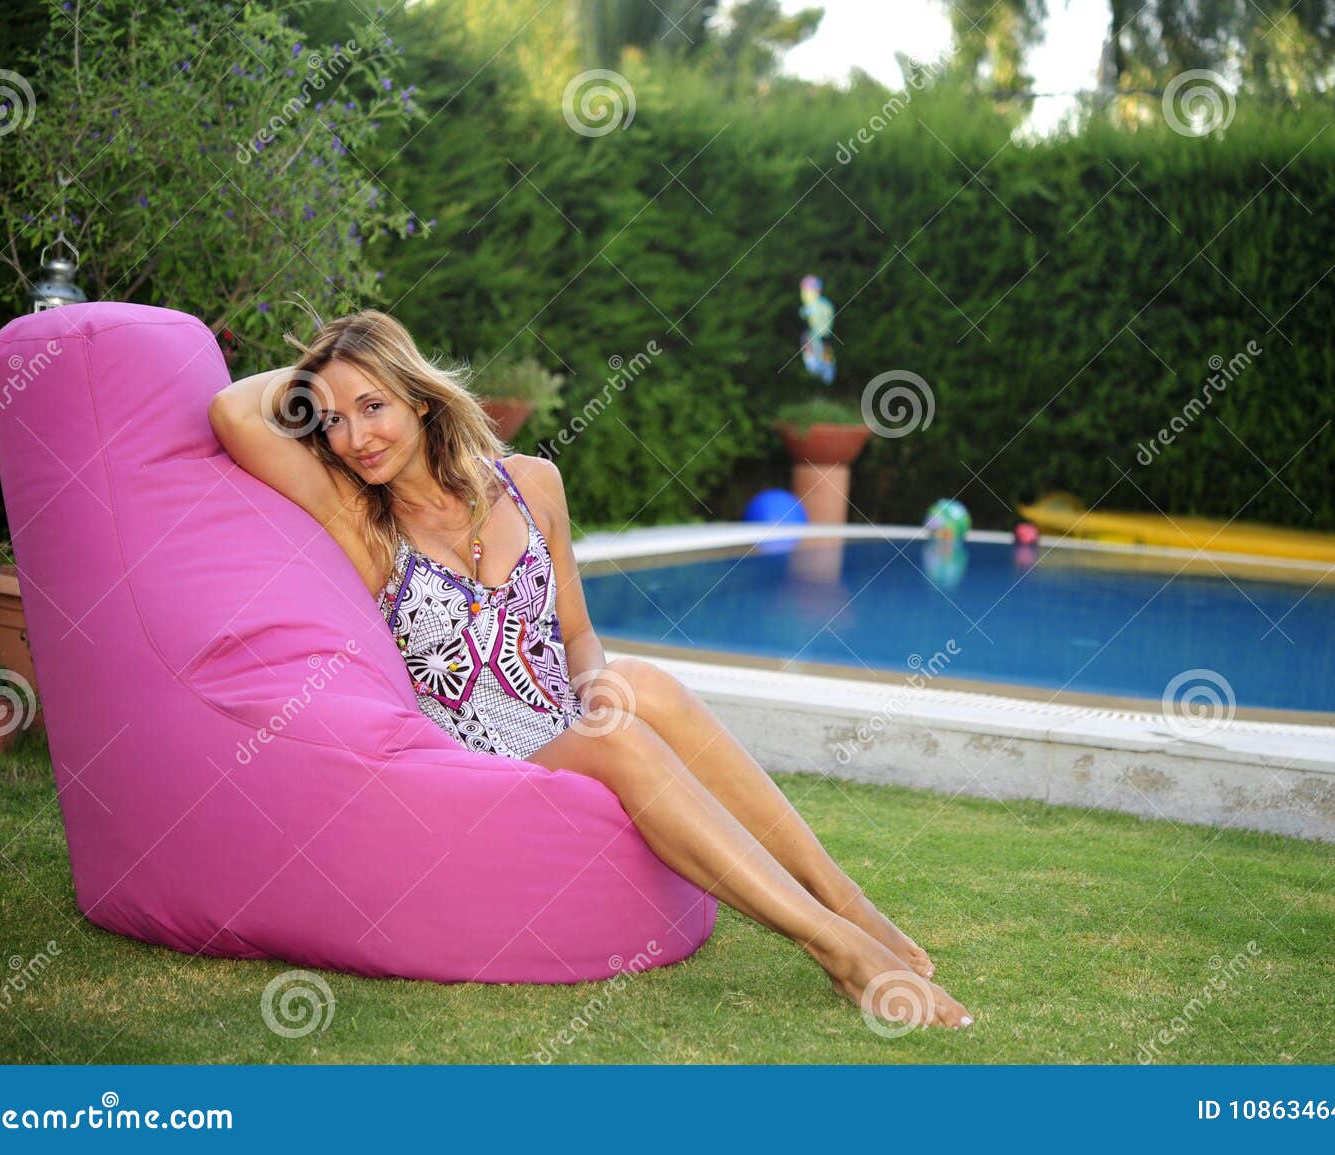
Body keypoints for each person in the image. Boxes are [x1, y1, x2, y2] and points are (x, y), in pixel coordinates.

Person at [208, 308, 972, 1030]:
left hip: (562, 721)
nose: (355, 436)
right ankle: (834, 946)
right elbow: (235, 413)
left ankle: (846, 899)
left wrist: (597, 679)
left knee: (642, 685)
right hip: (479, 764)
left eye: (374, 405)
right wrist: (320, 374)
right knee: (620, 739)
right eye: (333, 420)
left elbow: (579, 635)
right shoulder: (362, 522)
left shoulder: (531, 482)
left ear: (419, 397)